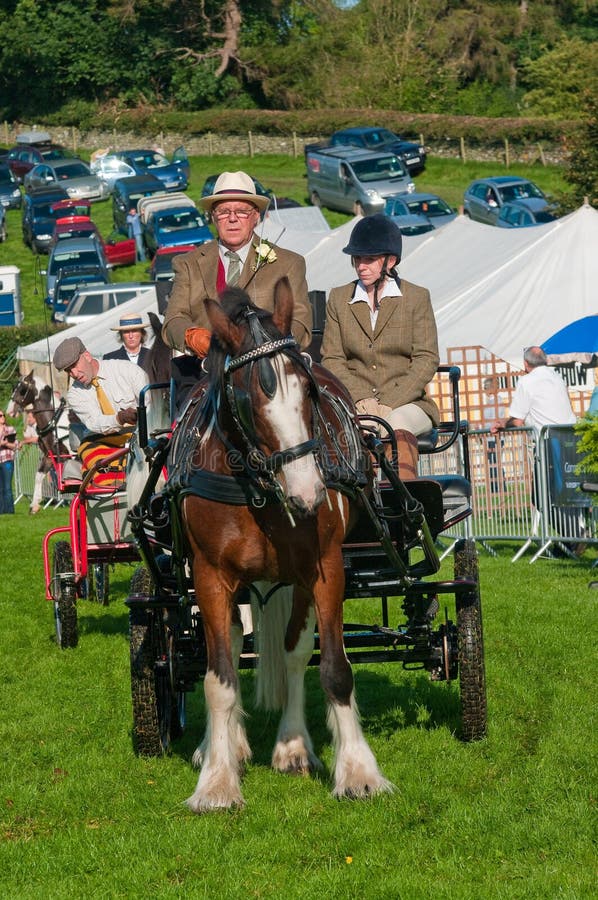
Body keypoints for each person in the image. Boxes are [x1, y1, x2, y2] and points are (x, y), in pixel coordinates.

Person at [320, 214, 439, 481]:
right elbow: (332, 359)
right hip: (357, 403)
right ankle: (367, 500)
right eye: (357, 259)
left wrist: (388, 403)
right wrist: (362, 398)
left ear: (391, 261)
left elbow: (426, 359)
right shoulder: (339, 299)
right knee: (366, 427)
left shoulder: (416, 298)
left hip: (408, 402)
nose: (361, 266)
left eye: (369, 259)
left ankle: (405, 499)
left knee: (395, 423)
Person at [162, 170, 312, 374]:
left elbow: (300, 322)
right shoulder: (188, 264)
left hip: (270, 370)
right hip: (205, 370)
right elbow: (173, 319)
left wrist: (267, 347)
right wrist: (193, 337)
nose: (232, 219)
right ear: (213, 217)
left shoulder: (289, 263)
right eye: (223, 211)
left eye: (241, 211)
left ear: (256, 217)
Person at [53, 336, 148, 487]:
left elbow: (151, 404)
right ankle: (111, 489)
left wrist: (140, 416)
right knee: (90, 452)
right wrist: (120, 418)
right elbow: (95, 423)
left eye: (75, 365)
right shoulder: (75, 394)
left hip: (140, 433)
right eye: (68, 371)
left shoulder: (127, 370)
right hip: (102, 440)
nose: (74, 373)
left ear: (87, 355)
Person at [490, 347, 575, 435]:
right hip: (570, 433)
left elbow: (517, 422)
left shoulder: (526, 381)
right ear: (545, 360)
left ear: (525, 363)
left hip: (549, 438)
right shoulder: (558, 378)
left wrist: (501, 425)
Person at [482, 376, 507, 494]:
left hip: (494, 437)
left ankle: (498, 487)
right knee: (493, 463)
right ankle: (495, 488)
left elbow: (493, 420)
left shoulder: (496, 401)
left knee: (495, 463)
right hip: (490, 437)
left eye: (485, 387)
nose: (484, 390)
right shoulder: (492, 401)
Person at [0, 409, 17, 514]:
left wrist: (5, 444)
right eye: (0, 416)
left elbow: (15, 445)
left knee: (7, 487)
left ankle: (9, 511)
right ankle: (1, 511)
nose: (2, 417)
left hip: (7, 460)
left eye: (3, 415)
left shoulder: (10, 429)